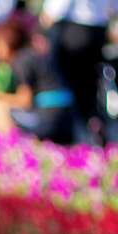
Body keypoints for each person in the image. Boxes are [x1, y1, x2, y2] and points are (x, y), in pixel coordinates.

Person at [0, 19, 76, 141]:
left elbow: (25, 101)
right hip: (64, 119)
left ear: (7, 43)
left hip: (49, 119)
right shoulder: (29, 56)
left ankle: (11, 146)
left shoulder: (21, 61)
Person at [41, 0, 115, 144]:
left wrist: (45, 19)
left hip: (74, 31)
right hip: (98, 32)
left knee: (71, 89)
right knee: (90, 89)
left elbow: (57, 8)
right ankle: (93, 131)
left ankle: (80, 137)